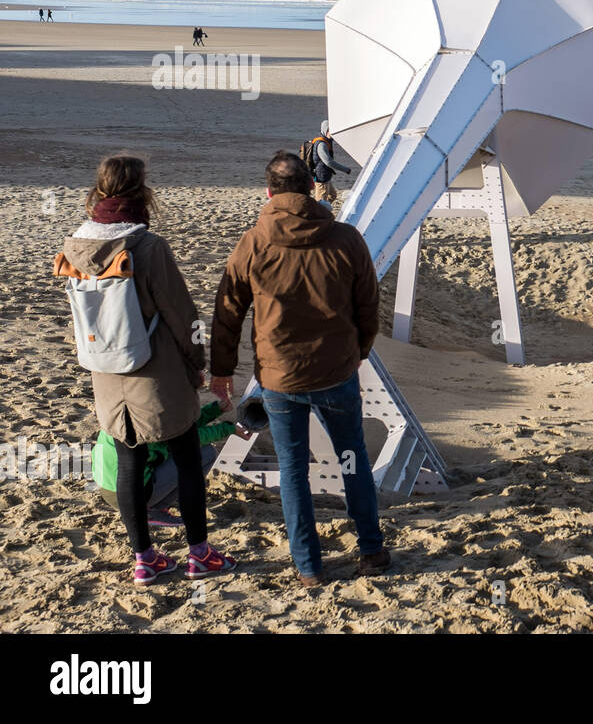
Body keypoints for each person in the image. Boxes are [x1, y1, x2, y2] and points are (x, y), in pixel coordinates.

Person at [209, 151, 386, 586]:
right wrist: (358, 352)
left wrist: (222, 369)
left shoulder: (254, 242)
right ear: (311, 188)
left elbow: (228, 310)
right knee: (351, 459)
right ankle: (371, 549)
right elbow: (369, 308)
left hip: (280, 376)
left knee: (293, 470)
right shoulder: (345, 239)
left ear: (268, 193)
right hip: (336, 372)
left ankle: (308, 566)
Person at [59, 156, 236, 585]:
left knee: (128, 462)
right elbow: (182, 313)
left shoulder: (74, 247)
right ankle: (199, 554)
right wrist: (198, 366)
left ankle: (144, 559)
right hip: (157, 374)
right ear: (142, 191)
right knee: (188, 460)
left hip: (105, 373)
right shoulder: (148, 247)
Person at [92, 400, 248, 526]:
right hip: (133, 494)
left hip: (106, 489)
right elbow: (189, 437)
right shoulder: (154, 418)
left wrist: (215, 410)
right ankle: (153, 509)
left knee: (168, 452)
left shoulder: (127, 409)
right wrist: (229, 429)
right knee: (205, 453)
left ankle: (151, 506)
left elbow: (182, 426)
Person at [304, 120, 352, 206]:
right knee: (321, 203)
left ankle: (324, 210)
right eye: (330, 130)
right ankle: (319, 214)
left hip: (326, 176)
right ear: (325, 131)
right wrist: (345, 169)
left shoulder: (327, 141)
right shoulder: (321, 145)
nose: (333, 133)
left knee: (332, 195)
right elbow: (328, 162)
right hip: (321, 178)